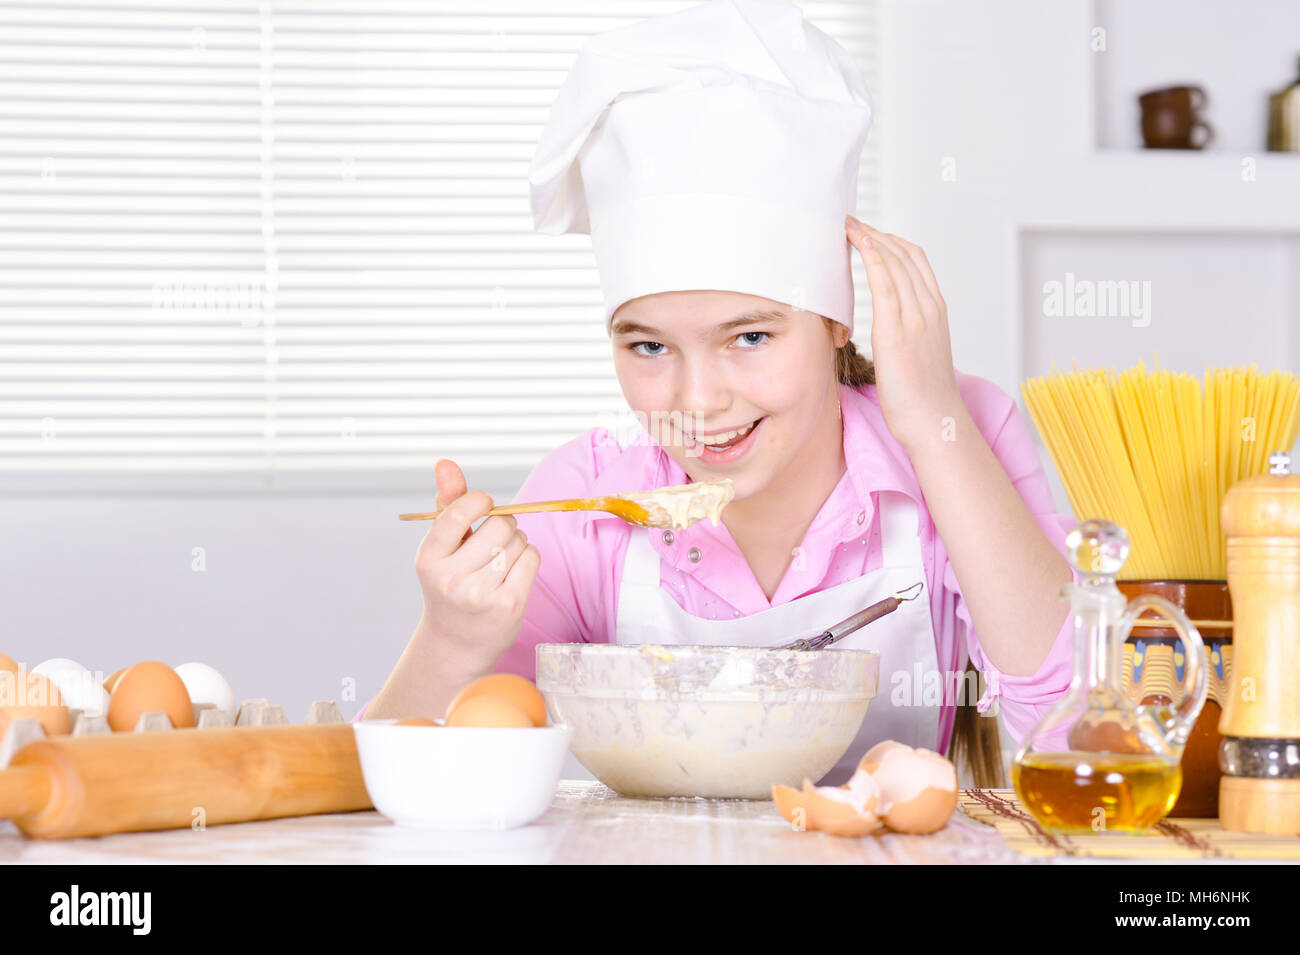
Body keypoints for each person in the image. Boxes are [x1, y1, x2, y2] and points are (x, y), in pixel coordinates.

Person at [360, 0, 1079, 787]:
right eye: (648, 345)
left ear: (837, 319)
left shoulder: (958, 432)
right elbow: (407, 784)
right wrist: (452, 638)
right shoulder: (587, 499)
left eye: (749, 337)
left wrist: (935, 426)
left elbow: (1075, 729)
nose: (697, 402)